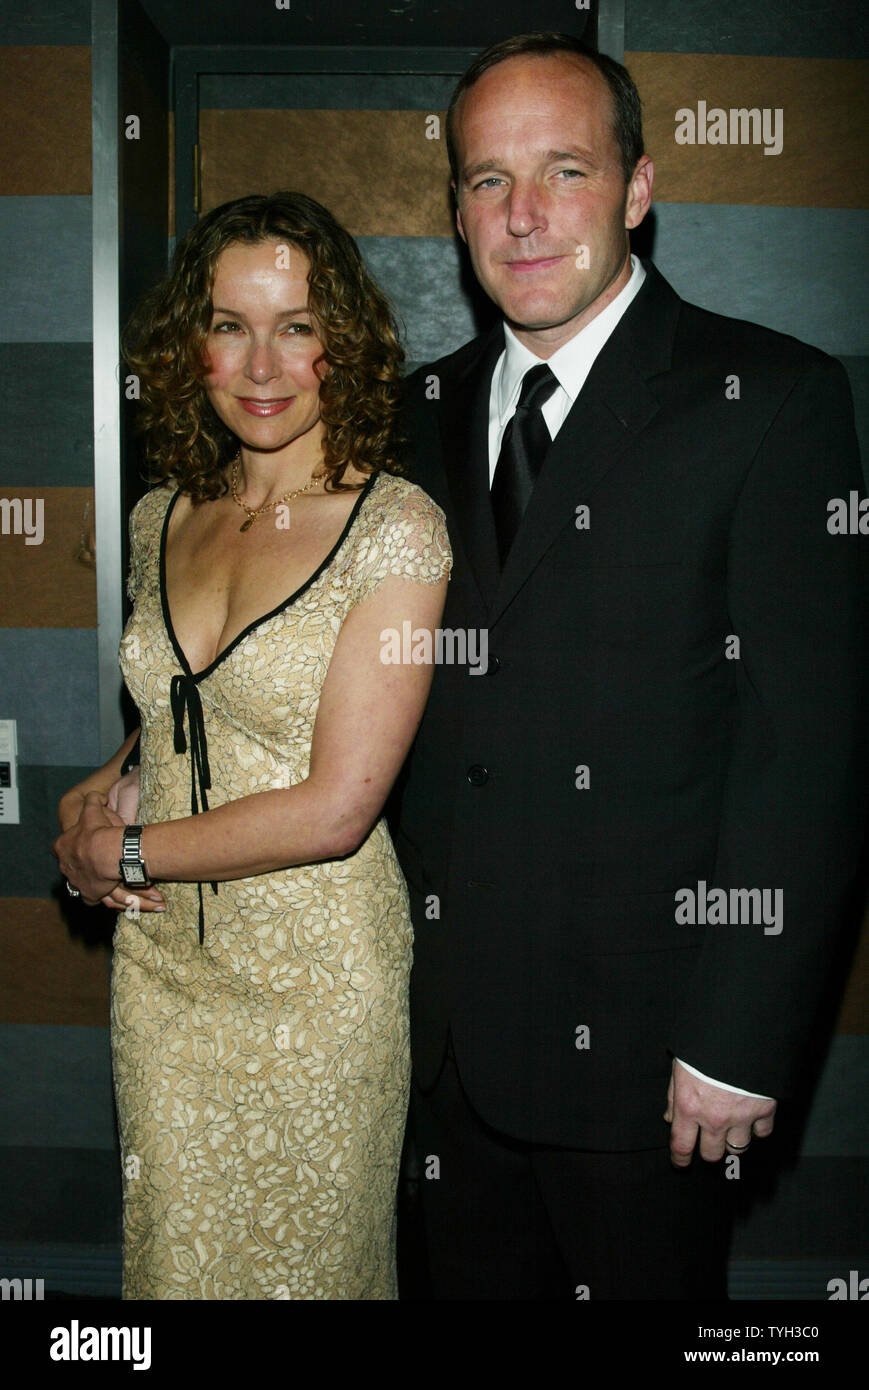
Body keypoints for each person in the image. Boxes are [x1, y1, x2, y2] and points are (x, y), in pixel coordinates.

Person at [390, 33, 868, 1299]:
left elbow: (807, 752)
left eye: (564, 170)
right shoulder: (409, 415)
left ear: (638, 188)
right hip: (433, 1056)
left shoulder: (767, 399)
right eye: (487, 180)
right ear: (454, 210)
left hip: (652, 1071)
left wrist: (738, 1041)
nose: (525, 216)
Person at [53, 191, 451, 1300]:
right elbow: (179, 709)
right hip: (165, 981)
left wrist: (123, 858)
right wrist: (97, 796)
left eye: (296, 324)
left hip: (321, 987)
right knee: (177, 1271)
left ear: (344, 345)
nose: (262, 362)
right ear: (193, 344)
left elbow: (337, 807)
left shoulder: (398, 528)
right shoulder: (159, 516)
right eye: (229, 324)